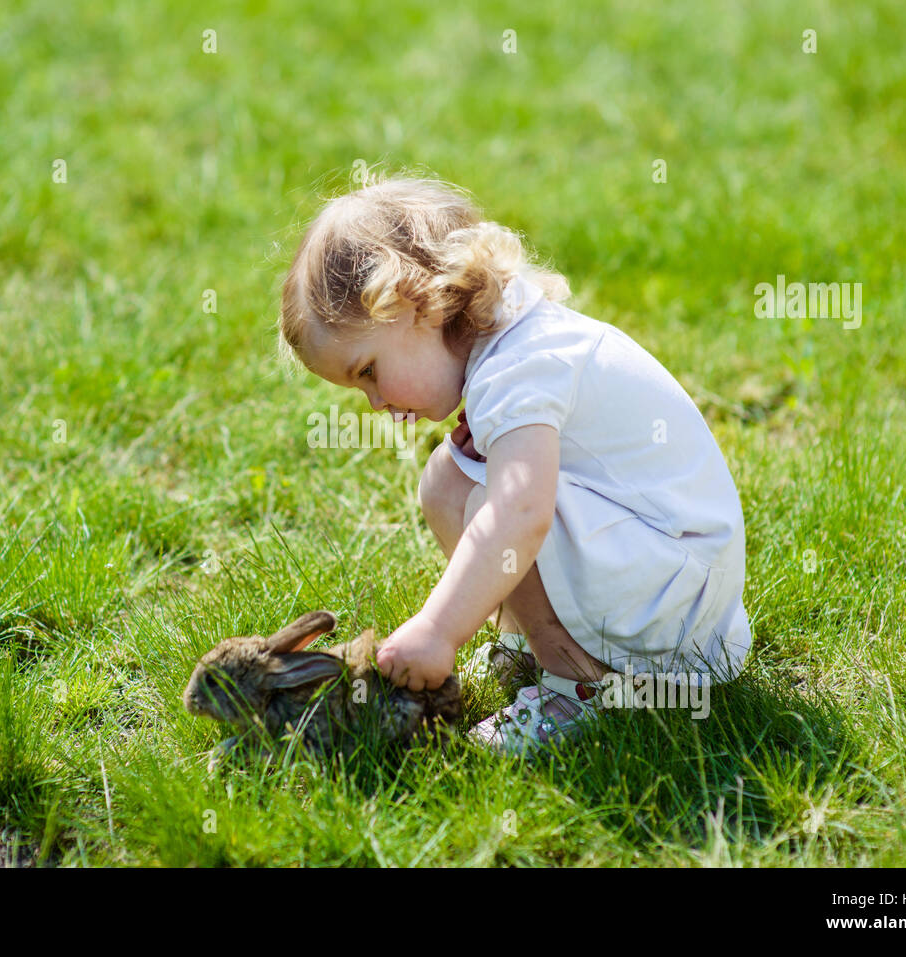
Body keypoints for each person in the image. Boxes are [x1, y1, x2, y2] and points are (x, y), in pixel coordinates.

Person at [277, 174, 751, 753]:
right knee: (448, 480)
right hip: (666, 577)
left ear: (414, 303)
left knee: (494, 504)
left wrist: (437, 631)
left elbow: (520, 515)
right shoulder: (506, 336)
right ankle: (535, 645)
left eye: (369, 371)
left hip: (680, 607)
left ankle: (579, 684)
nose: (376, 403)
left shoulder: (518, 367)